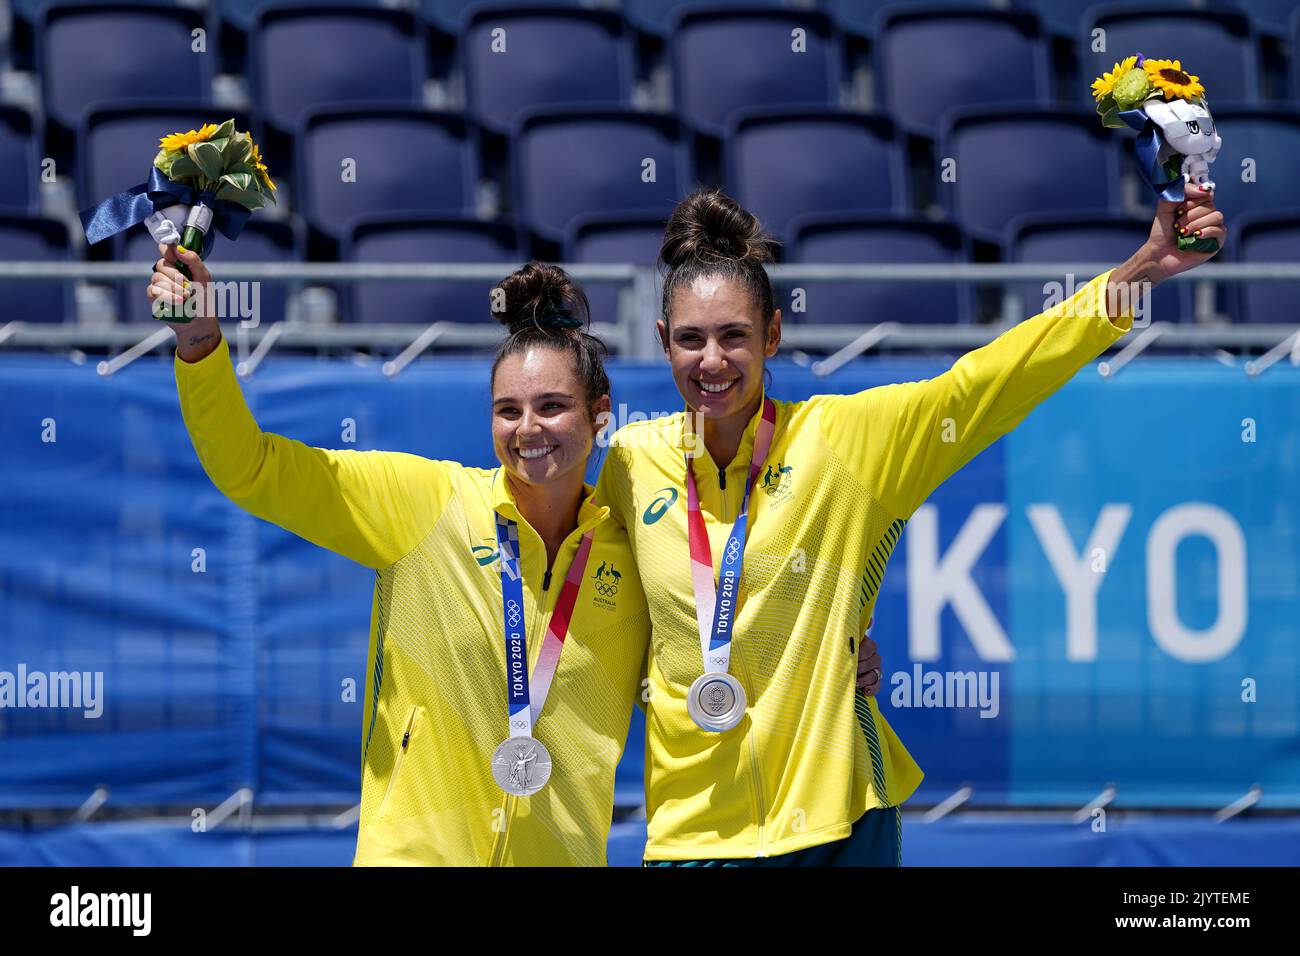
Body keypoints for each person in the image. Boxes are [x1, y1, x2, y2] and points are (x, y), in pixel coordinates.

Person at [148, 248, 889, 865]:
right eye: (508, 410)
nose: (529, 429)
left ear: (601, 416)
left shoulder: (631, 553)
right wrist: (200, 347)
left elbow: (694, 671)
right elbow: (250, 468)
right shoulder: (422, 507)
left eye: (552, 407)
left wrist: (833, 660)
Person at [596, 183, 1225, 865]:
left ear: (773, 333)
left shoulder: (846, 441)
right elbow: (607, 623)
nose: (712, 361)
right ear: (663, 342)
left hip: (834, 826)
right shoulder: (632, 462)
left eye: (734, 336)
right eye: (690, 339)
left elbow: (987, 383)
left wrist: (1141, 272)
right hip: (691, 835)